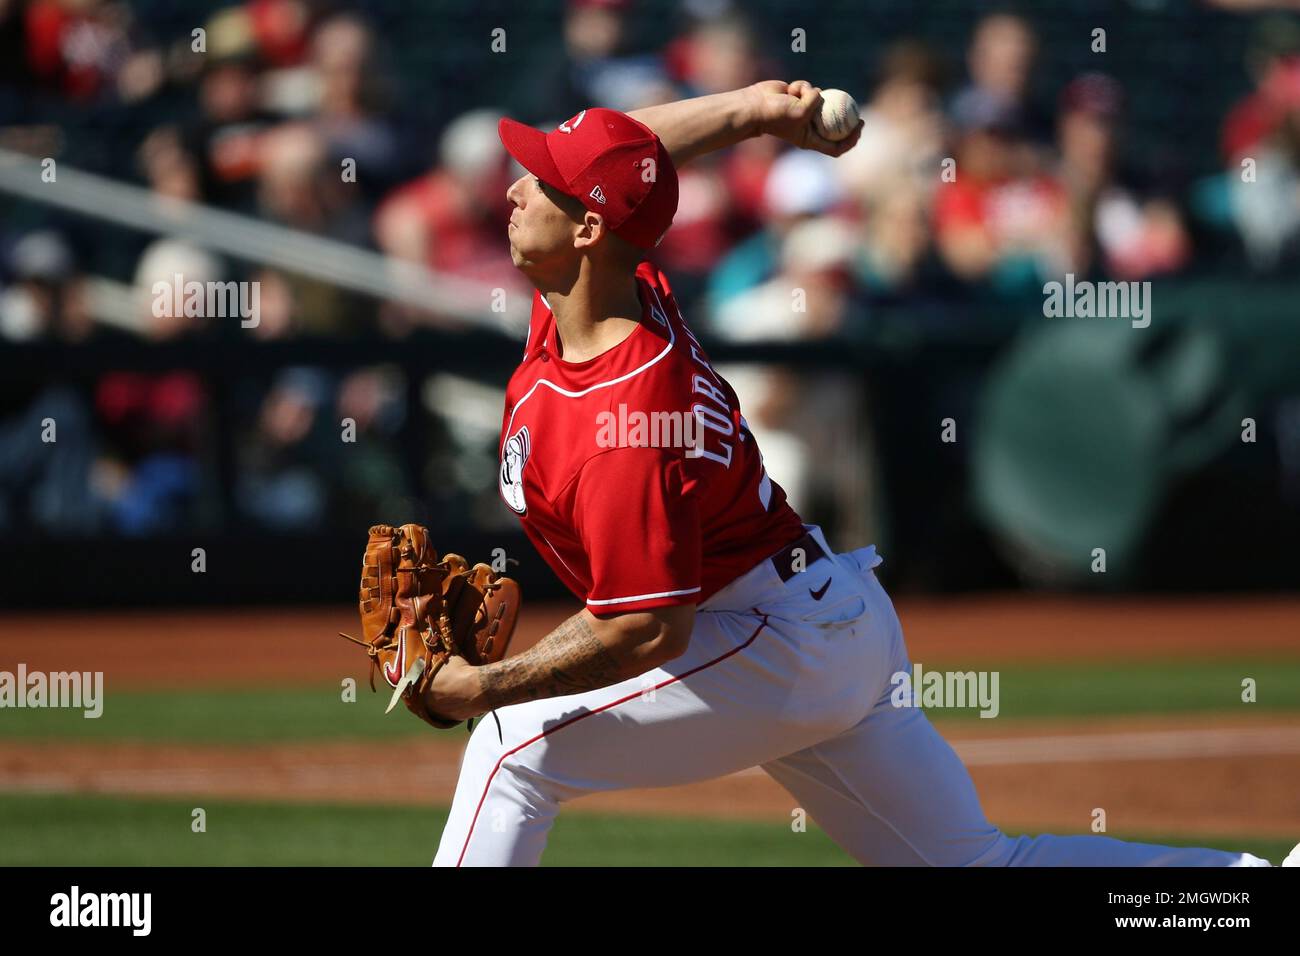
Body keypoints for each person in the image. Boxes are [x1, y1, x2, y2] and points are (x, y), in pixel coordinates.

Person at [420, 79, 1285, 868]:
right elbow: (628, 161)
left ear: (586, 228)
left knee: (508, 750)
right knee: (975, 867)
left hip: (764, 640)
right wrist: (756, 110)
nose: (512, 186)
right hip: (821, 618)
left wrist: (481, 687)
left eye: (538, 180)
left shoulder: (625, 417)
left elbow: (648, 631)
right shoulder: (603, 290)